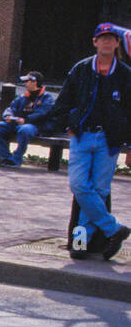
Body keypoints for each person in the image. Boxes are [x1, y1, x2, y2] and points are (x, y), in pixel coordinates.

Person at [53, 22, 131, 260]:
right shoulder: (81, 69)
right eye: (102, 38)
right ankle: (113, 229)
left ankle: (80, 242)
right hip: (82, 136)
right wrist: (69, 123)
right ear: (95, 42)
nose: (107, 42)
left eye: (111, 38)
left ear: (118, 43)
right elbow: (63, 102)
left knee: (98, 191)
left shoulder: (125, 74)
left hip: (109, 142)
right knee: (78, 186)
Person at [0, 72, 56, 167]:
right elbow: (11, 108)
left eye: (27, 81)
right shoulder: (23, 96)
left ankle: (16, 159)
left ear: (34, 82)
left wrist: (25, 120)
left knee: (24, 130)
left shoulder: (47, 98)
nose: (25, 83)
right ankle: (6, 157)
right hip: (17, 124)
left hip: (35, 126)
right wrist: (8, 116)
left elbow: (42, 114)